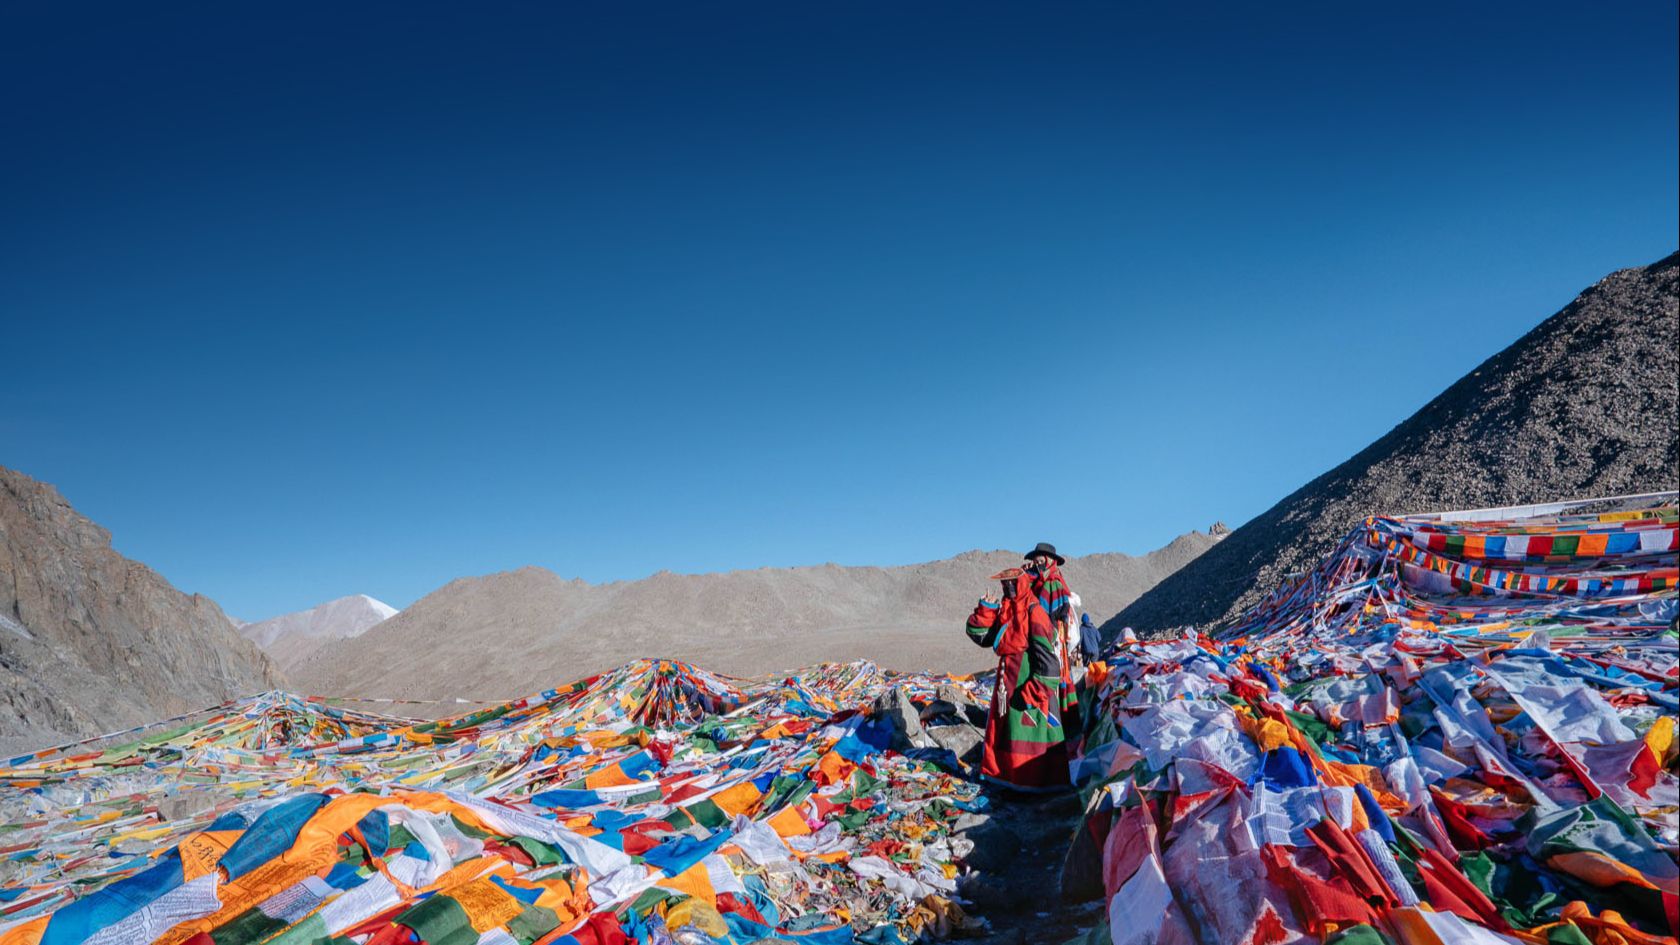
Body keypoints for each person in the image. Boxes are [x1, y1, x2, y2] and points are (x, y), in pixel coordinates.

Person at [964, 567, 1069, 790]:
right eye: (1004, 584)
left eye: (1013, 583)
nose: (1008, 588)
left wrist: (1036, 690)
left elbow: (1049, 661)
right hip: (1007, 684)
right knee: (1006, 733)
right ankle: (1006, 779)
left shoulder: (1035, 612)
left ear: (1022, 584)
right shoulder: (1007, 612)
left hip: (1027, 684)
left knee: (1028, 733)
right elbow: (983, 637)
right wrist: (987, 609)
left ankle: (1030, 784)